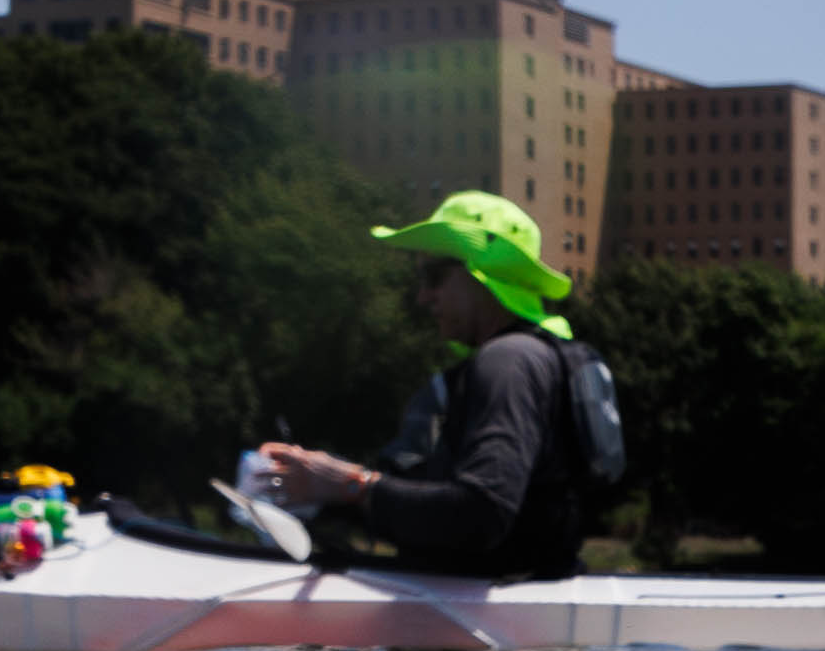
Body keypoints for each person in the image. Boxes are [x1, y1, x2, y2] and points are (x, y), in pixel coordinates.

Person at [252, 191, 608, 580]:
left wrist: (353, 485)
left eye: (433, 278)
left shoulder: (507, 361)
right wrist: (322, 490)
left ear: (479, 272)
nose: (423, 297)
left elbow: (481, 514)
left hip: (499, 615)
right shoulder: (533, 356)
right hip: (524, 602)